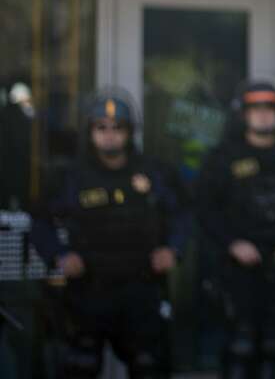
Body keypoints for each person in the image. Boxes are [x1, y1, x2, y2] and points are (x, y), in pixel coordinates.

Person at [31, 89, 187, 378]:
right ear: (90, 132)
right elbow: (40, 221)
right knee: (81, 365)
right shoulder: (72, 177)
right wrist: (59, 255)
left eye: (118, 128)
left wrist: (173, 249)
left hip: (141, 287)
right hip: (88, 288)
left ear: (130, 132)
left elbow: (180, 214)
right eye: (101, 128)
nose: (110, 135)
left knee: (149, 365)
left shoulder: (153, 173)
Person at [194, 79, 275, 379]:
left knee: (271, 345)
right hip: (237, 265)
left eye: (270, 108)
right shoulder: (222, 159)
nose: (263, 114)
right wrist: (232, 243)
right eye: (256, 108)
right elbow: (204, 208)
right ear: (243, 114)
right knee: (240, 345)